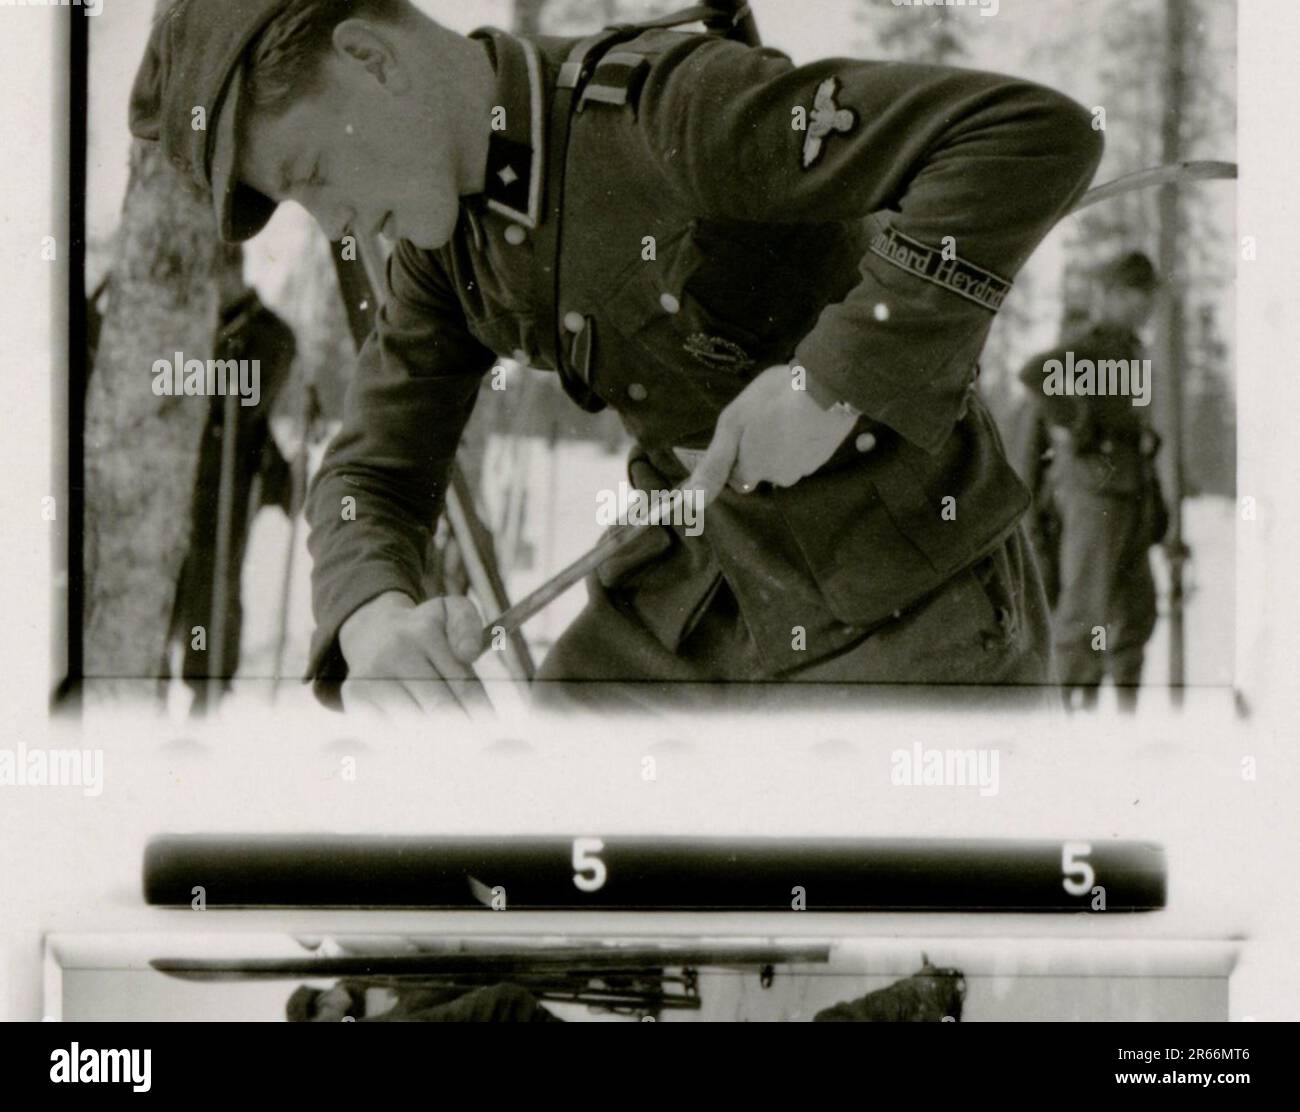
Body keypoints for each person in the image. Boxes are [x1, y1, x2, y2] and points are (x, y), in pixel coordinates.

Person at [129, 0, 1105, 714]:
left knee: (877, 968)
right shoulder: (439, 258)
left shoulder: (671, 112)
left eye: (312, 173)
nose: (335, 220)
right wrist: (375, 614)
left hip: (906, 608)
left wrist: (831, 382)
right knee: (523, 878)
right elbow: (368, 470)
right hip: (688, 619)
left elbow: (1024, 135)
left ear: (371, 59)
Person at [1017, 252, 1168, 710]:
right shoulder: (1093, 345)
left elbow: (1133, 422)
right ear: (1118, 295)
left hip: (1129, 490)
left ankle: (1123, 713)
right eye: (1142, 296)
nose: (1149, 306)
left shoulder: (1131, 349)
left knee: (1136, 610)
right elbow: (1035, 373)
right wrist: (1081, 423)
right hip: (1094, 492)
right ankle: (1059, 721)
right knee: (1084, 612)